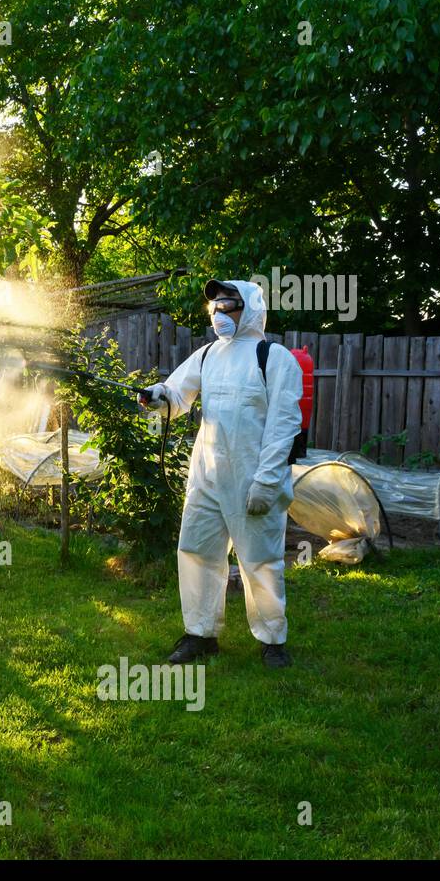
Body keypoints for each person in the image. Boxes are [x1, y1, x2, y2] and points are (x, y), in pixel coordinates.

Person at [139, 279, 302, 668]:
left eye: (228, 305)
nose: (219, 314)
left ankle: (272, 640)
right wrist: (158, 395)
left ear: (250, 309)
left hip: (252, 480)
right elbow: (177, 394)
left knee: (260, 560)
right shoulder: (209, 354)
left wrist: (266, 480)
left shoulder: (274, 358)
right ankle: (200, 634)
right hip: (207, 477)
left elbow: (284, 425)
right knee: (197, 552)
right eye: (214, 307)